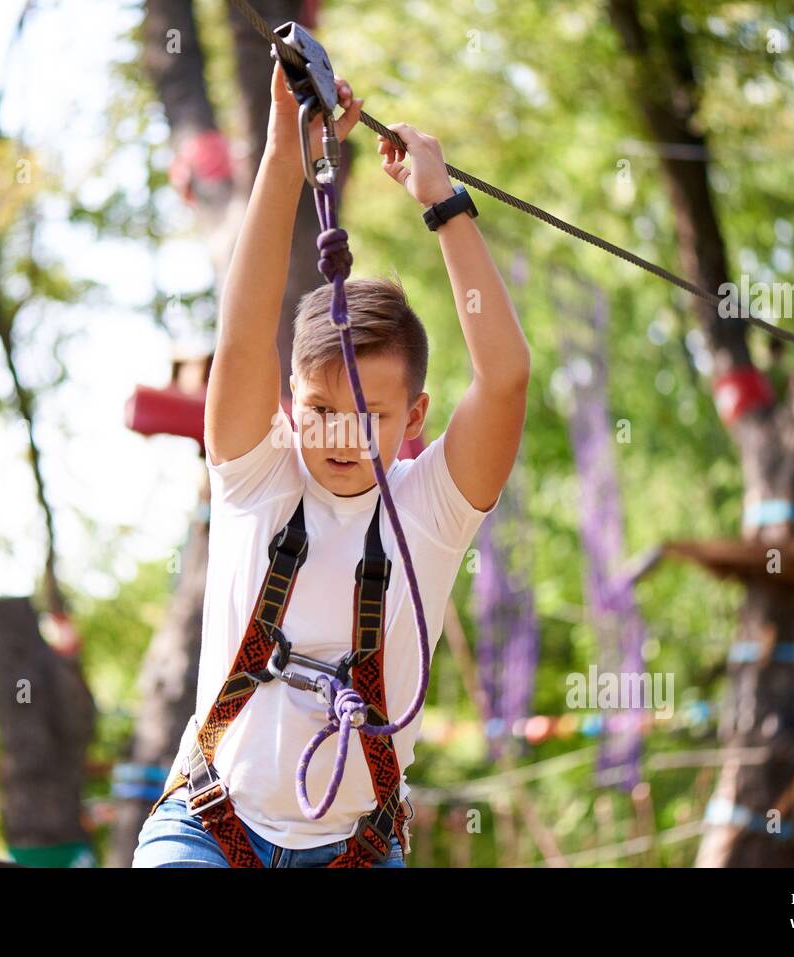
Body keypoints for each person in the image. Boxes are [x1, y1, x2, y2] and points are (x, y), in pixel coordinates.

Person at [132, 62, 530, 867]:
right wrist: (287, 151)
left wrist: (443, 204)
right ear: (290, 403)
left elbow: (506, 376)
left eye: (370, 414)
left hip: (354, 849)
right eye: (319, 411)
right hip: (209, 829)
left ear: (415, 418)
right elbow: (243, 337)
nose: (341, 436)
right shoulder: (258, 476)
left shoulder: (432, 509)